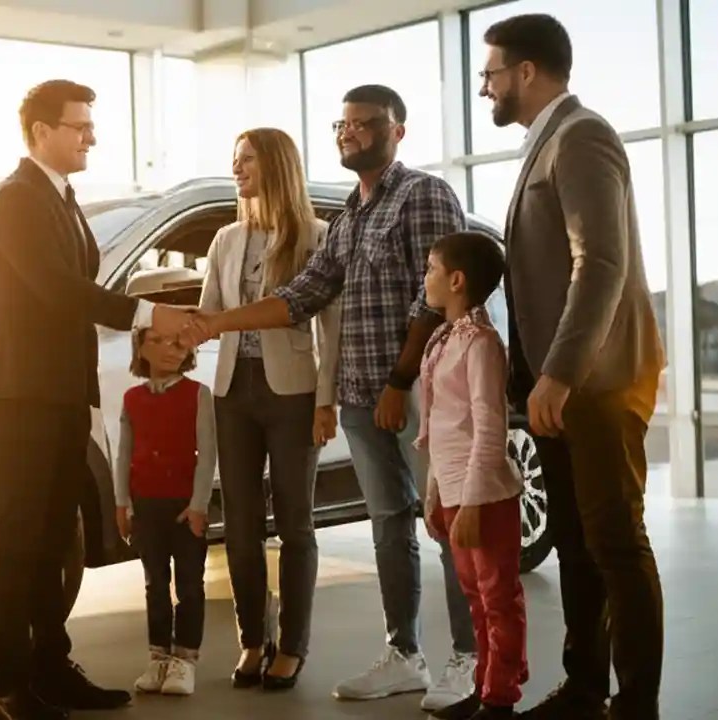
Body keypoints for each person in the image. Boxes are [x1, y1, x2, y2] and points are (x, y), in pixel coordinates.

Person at [182, 85, 479, 713]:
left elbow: (442, 300)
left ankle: (468, 658)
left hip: (418, 392)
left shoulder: (422, 195)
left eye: (365, 124)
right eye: (342, 125)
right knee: (389, 527)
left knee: (450, 523)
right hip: (362, 398)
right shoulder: (350, 218)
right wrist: (214, 324)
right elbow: (301, 298)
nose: (350, 134)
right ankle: (405, 655)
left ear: (397, 130)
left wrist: (400, 384)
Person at [0, 78, 191, 720]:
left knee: (55, 537)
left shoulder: (61, 197)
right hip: (23, 394)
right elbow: (57, 290)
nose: (90, 136)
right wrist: (150, 312)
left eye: (90, 125)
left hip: (60, 392)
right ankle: (10, 684)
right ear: (41, 132)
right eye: (79, 126)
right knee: (19, 536)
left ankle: (51, 667)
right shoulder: (17, 199)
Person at [476, 15, 665, 720]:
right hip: (559, 387)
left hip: (598, 380)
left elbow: (602, 263)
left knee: (616, 542)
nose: (485, 88)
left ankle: (636, 705)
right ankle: (586, 690)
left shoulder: (583, 136)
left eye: (490, 73)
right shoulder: (546, 143)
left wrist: (558, 370)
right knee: (580, 547)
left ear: (527, 72)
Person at [197, 127, 339, 692]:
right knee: (239, 526)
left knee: (296, 526)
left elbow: (332, 328)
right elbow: (209, 315)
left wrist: (325, 400)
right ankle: (254, 640)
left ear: (276, 164)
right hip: (233, 391)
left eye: (247, 159)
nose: (238, 168)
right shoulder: (226, 239)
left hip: (293, 391)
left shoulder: (316, 235)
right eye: (234, 159)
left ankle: (295, 645)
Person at [417, 232, 529, 720]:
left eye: (430, 269)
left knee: (498, 596)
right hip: (455, 492)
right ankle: (487, 683)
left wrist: (475, 502)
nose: (425, 278)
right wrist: (435, 493)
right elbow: (440, 426)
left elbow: (490, 425)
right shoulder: (445, 339)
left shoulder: (481, 344)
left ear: (456, 280)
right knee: (475, 598)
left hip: (484, 496)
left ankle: (500, 696)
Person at [113, 327, 215, 698]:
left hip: (184, 507)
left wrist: (199, 504)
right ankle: (158, 655)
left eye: (174, 342)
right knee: (154, 583)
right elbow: (124, 453)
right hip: (146, 506)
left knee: (189, 583)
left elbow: (207, 452)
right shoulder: (131, 399)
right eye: (155, 341)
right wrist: (122, 502)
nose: (167, 349)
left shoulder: (197, 395)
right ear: (140, 349)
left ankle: (185, 659)